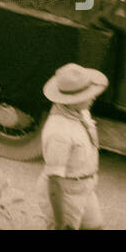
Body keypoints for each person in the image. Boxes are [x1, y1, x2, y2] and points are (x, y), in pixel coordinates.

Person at [39, 63, 108, 230]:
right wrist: (60, 222)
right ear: (72, 100)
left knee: (96, 226)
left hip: (85, 187)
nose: (93, 97)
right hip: (66, 194)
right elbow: (54, 182)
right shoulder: (59, 133)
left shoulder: (81, 111)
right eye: (87, 95)